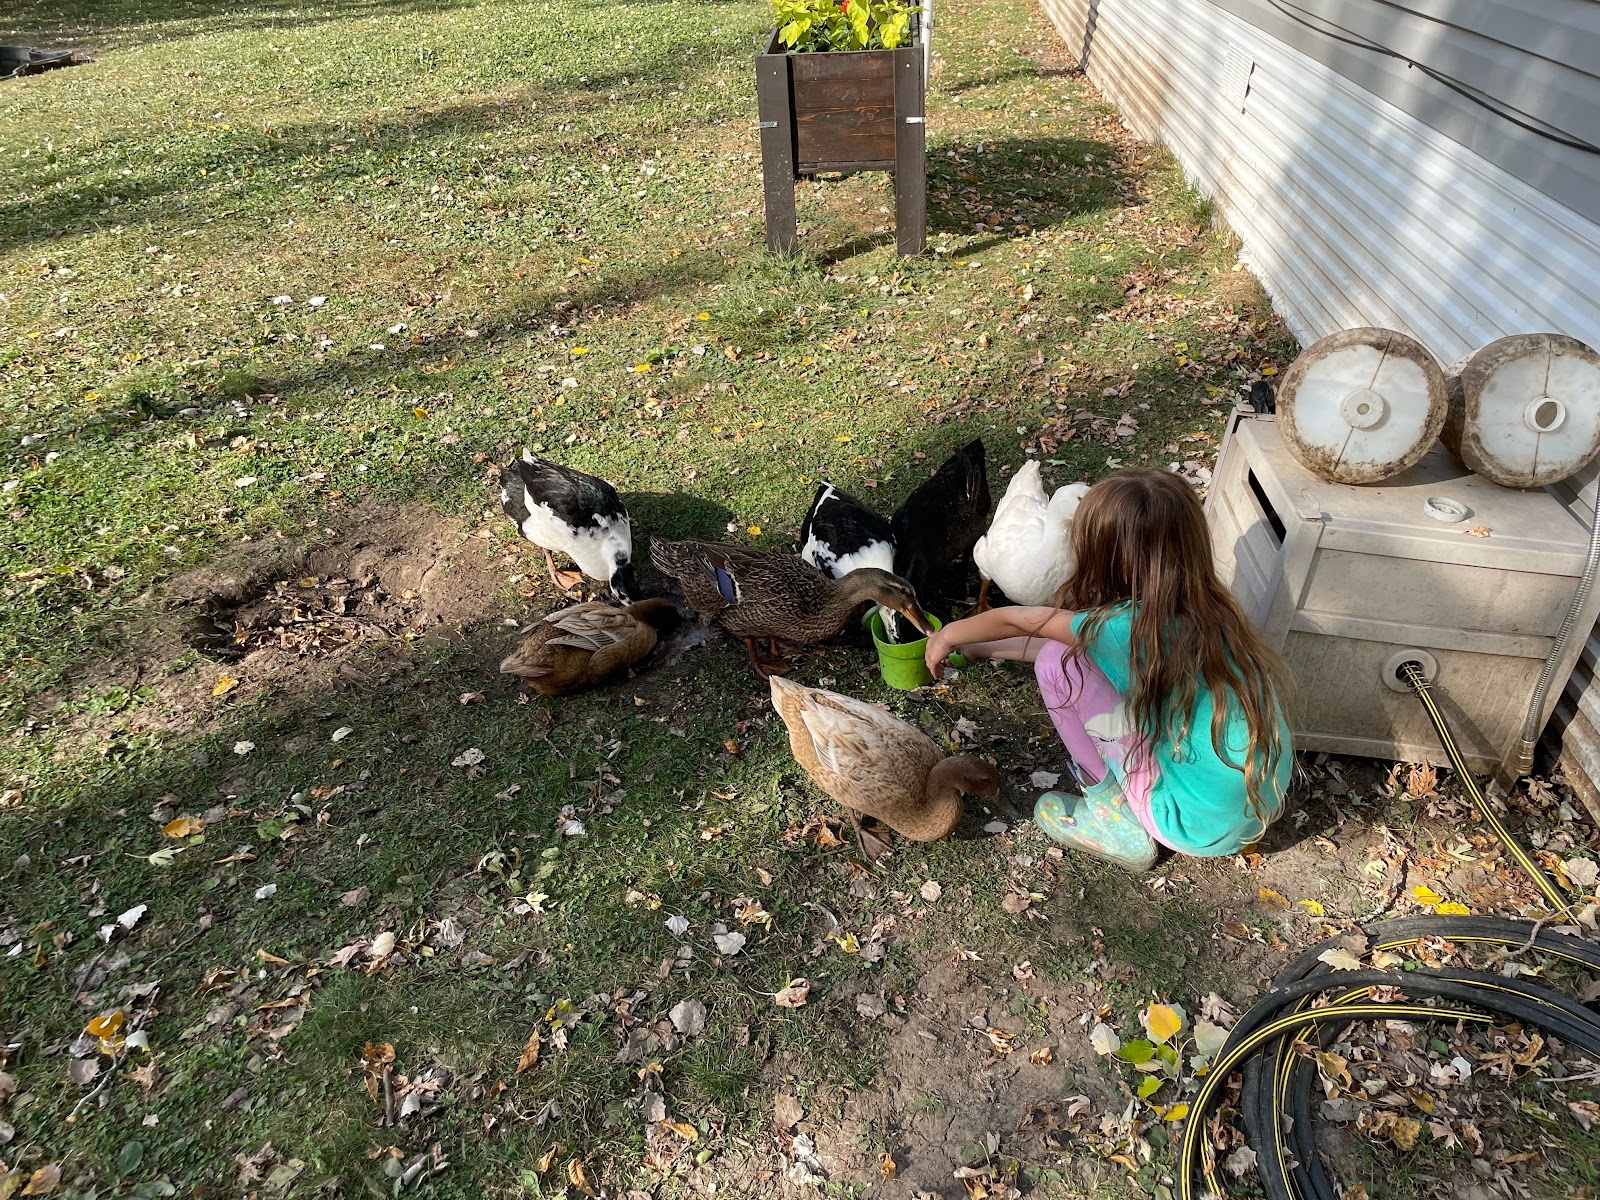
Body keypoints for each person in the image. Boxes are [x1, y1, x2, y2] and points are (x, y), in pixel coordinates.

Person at [924, 467, 1295, 870]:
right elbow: (1072, 642)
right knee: (1062, 656)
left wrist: (949, 635)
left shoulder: (1121, 628)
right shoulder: (1210, 608)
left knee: (1056, 664)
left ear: (1114, 561)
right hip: (1255, 807)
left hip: (1186, 824)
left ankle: (1114, 818)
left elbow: (1020, 621)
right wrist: (981, 648)